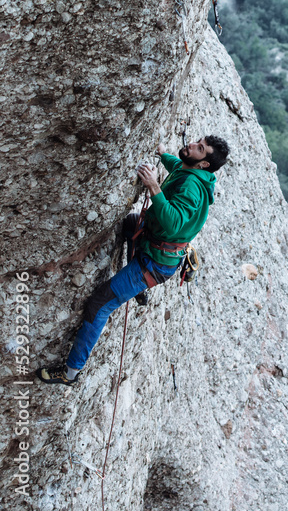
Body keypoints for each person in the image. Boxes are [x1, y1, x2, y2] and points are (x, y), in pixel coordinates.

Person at [35, 134, 229, 386]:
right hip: (152, 245)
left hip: (155, 262)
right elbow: (178, 166)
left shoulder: (192, 187)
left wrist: (153, 186)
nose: (192, 145)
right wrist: (162, 153)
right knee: (128, 224)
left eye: (199, 148)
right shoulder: (193, 171)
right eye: (197, 141)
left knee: (99, 304)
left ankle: (70, 372)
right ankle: (137, 290)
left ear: (203, 163)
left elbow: (173, 223)